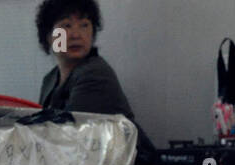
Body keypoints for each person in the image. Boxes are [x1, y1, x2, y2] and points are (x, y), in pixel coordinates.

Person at [34, 0, 157, 155]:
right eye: (66, 26)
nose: (76, 35)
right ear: (48, 36)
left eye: (84, 25)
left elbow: (65, 137)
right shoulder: (50, 79)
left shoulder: (95, 74)